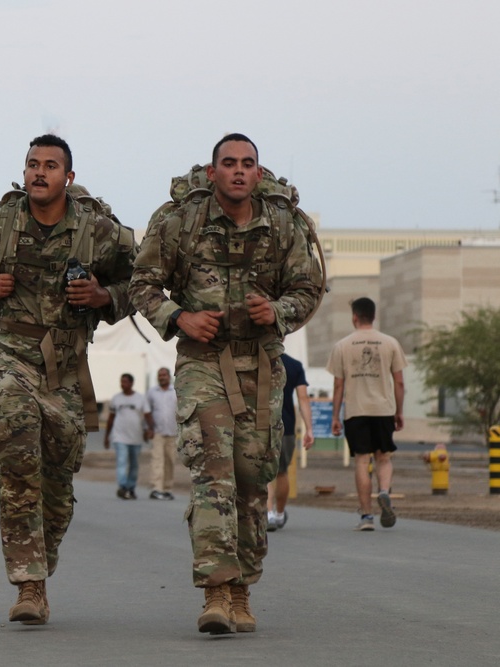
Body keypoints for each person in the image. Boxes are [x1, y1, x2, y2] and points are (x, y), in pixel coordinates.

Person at [128, 133, 323, 635]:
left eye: (248, 164)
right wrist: (180, 317)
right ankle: (215, 591)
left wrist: (276, 311)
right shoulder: (181, 222)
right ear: (213, 172)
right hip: (203, 361)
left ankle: (242, 590)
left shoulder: (282, 224)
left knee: (252, 479)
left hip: (260, 364)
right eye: (229, 163)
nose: (238, 171)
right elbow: (142, 283)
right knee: (213, 471)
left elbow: (309, 288)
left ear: (258, 174)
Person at [0, 134, 137, 625]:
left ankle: (41, 562)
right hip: (12, 359)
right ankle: (29, 585)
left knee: (57, 482)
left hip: (67, 369)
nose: (39, 172)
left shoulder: (99, 232)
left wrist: (102, 296)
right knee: (17, 459)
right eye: (32, 164)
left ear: (68, 177)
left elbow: (143, 281)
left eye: (51, 166)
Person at [326, 297, 406, 532]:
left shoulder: (342, 345)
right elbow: (399, 382)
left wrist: (334, 417)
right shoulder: (390, 343)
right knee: (384, 458)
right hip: (384, 409)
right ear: (373, 316)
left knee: (362, 460)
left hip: (356, 411)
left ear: (354, 317)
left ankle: (366, 516)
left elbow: (338, 386)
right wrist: (399, 411)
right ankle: (383, 491)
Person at [266, 353, 314, 530]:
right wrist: (309, 428)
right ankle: (279, 514)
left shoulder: (257, 360)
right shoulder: (294, 365)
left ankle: (268, 513)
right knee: (282, 472)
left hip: (259, 424)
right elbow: (303, 398)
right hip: (286, 425)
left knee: (264, 473)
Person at [104, 373, 149, 500]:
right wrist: (106, 436)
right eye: (121, 382)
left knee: (134, 465)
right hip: (120, 437)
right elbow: (111, 419)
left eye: (125, 382)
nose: (123, 384)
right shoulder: (116, 399)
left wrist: (148, 430)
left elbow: (146, 416)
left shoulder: (140, 398)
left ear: (131, 383)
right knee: (122, 462)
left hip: (136, 437)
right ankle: (123, 487)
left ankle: (131, 487)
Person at [144, 367, 178, 500]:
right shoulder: (152, 392)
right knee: (157, 460)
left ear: (169, 377)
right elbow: (147, 411)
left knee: (170, 461)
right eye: (159, 375)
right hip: (157, 432)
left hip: (173, 432)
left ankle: (167, 489)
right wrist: (148, 428)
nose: (162, 377)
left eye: (164, 375)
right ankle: (156, 488)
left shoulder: (175, 392)